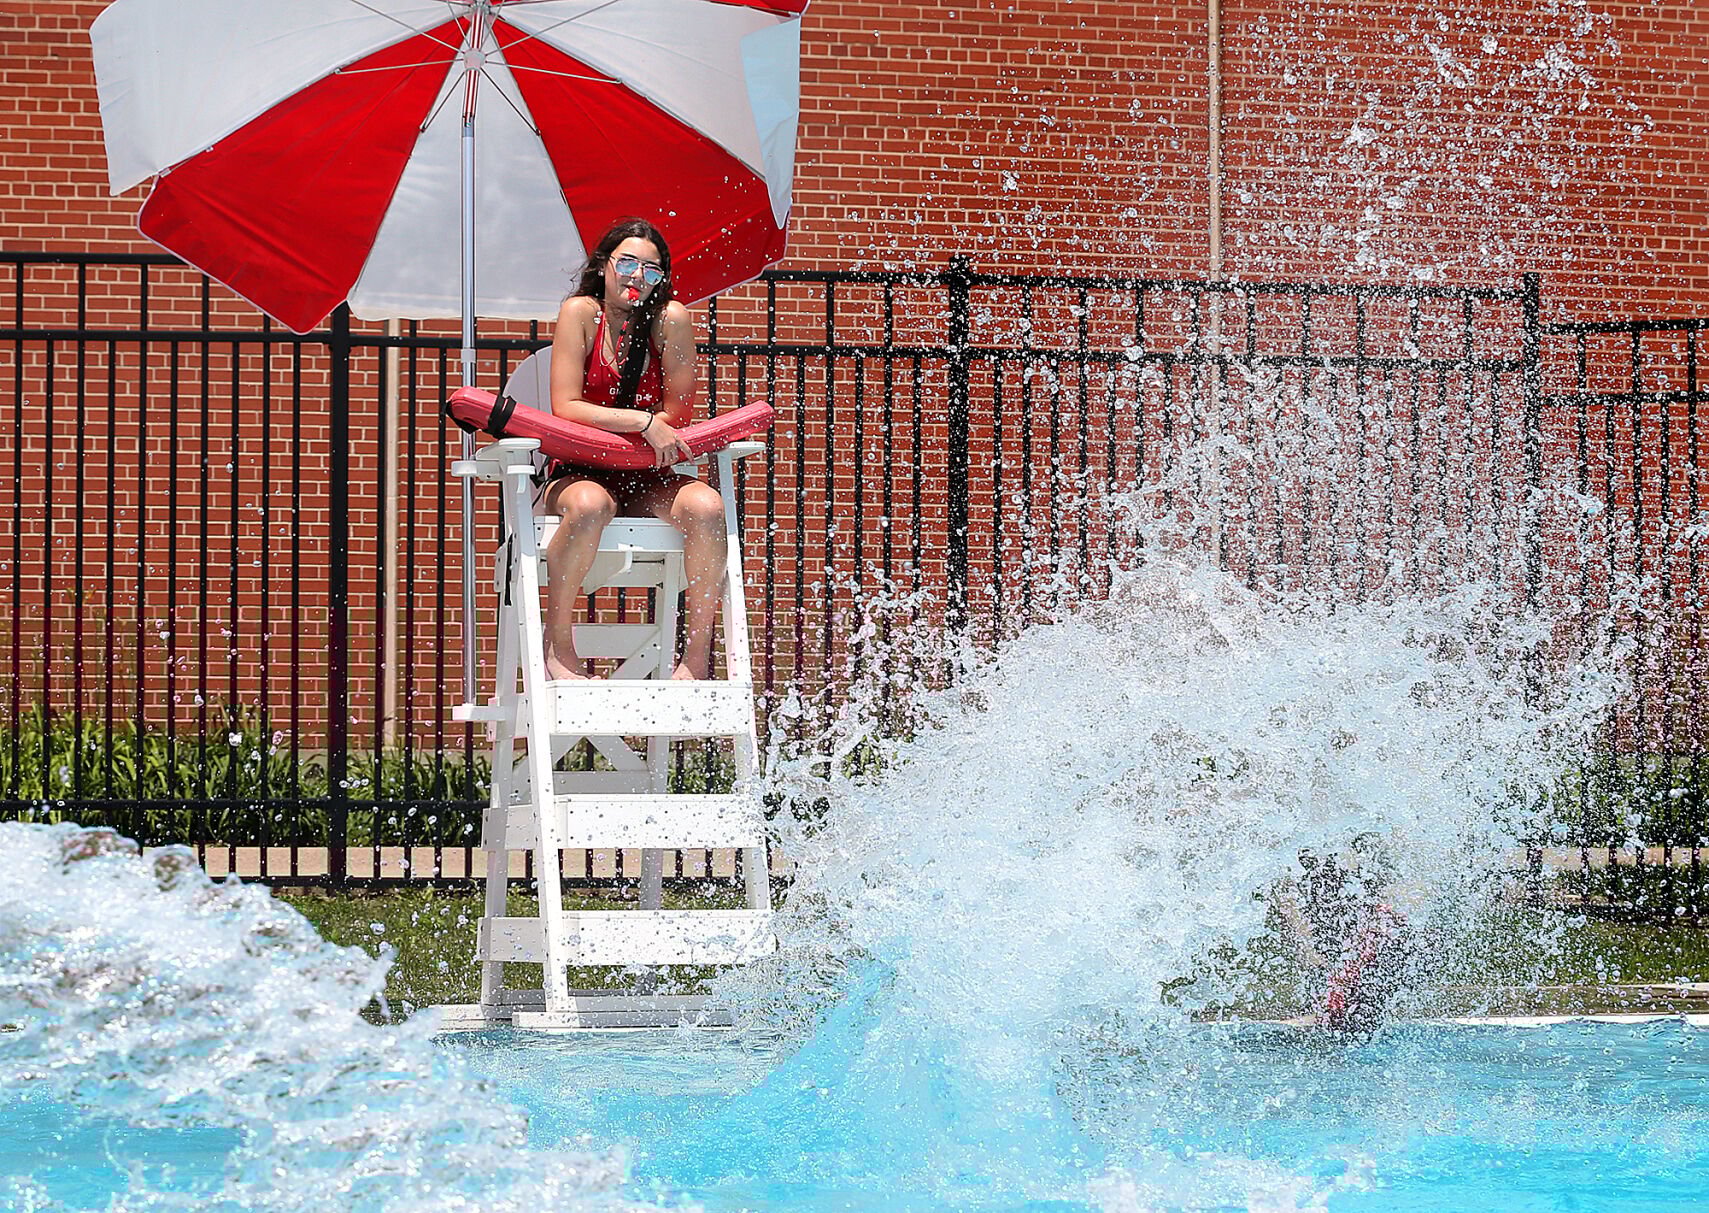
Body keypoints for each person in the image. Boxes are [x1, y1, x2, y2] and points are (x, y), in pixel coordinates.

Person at [538, 218, 728, 681]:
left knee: (708, 508)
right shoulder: (580, 313)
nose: (637, 277)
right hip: (578, 472)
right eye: (627, 263)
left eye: (651, 269)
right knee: (590, 505)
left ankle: (697, 656)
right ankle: (558, 643)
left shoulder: (670, 320)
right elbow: (566, 407)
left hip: (647, 475)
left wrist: (646, 431)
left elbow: (678, 412)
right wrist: (641, 422)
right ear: (604, 265)